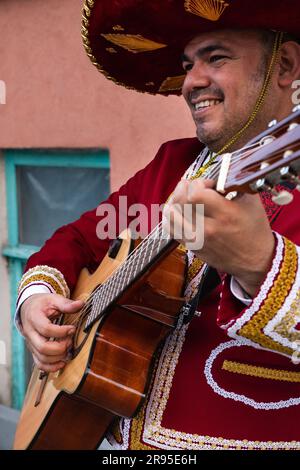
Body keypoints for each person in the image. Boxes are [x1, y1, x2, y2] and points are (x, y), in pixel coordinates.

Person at [16, 0, 300, 450]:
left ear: (284, 65)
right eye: (188, 65)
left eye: (216, 57)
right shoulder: (171, 164)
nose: (191, 82)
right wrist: (33, 302)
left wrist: (258, 264)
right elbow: (76, 239)